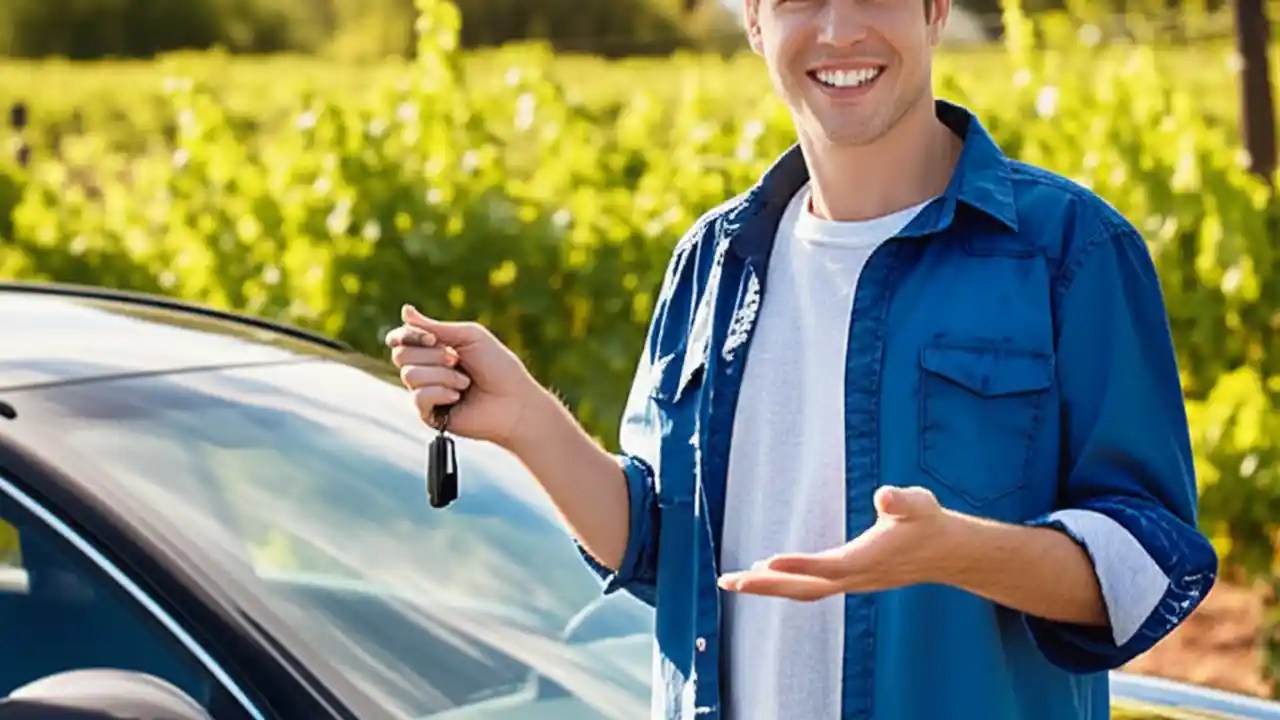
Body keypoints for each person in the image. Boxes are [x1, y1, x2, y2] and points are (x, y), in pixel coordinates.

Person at [385, 0, 1219, 716]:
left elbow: (1146, 564)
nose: (839, 29)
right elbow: (657, 549)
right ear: (754, 22)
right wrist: (527, 420)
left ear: (935, 9)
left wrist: (952, 552)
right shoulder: (709, 263)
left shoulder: (1068, 251)